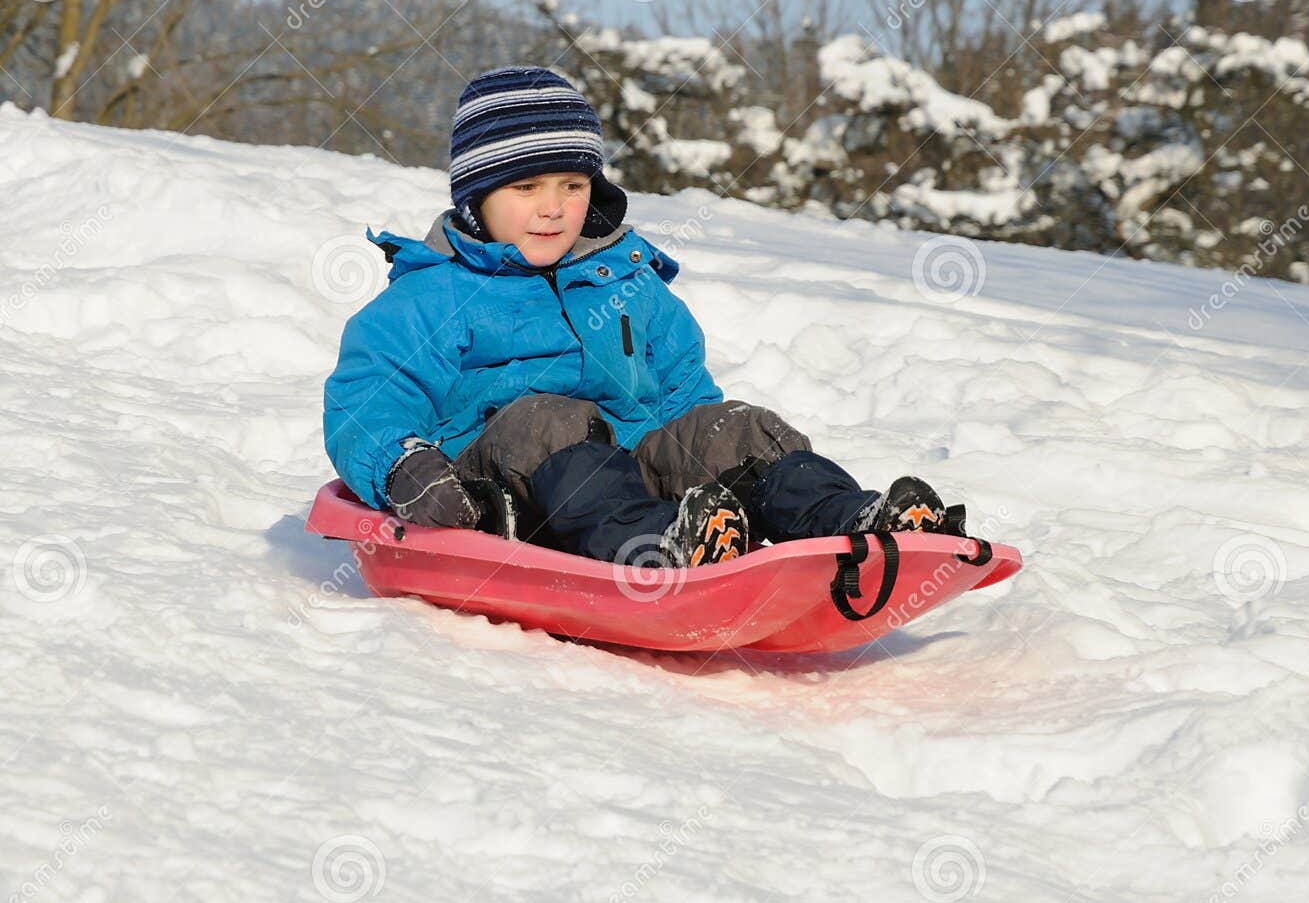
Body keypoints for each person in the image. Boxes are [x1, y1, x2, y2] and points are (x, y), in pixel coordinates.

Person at [323, 65, 955, 568]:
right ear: (475, 197)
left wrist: (711, 452)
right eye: (525, 189)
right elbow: (368, 401)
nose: (553, 209)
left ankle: (850, 524)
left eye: (571, 187)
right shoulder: (430, 298)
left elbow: (683, 396)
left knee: (739, 428)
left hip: (632, 471)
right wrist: (406, 468)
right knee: (551, 420)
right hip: (500, 489)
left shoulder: (626, 283)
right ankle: (660, 548)